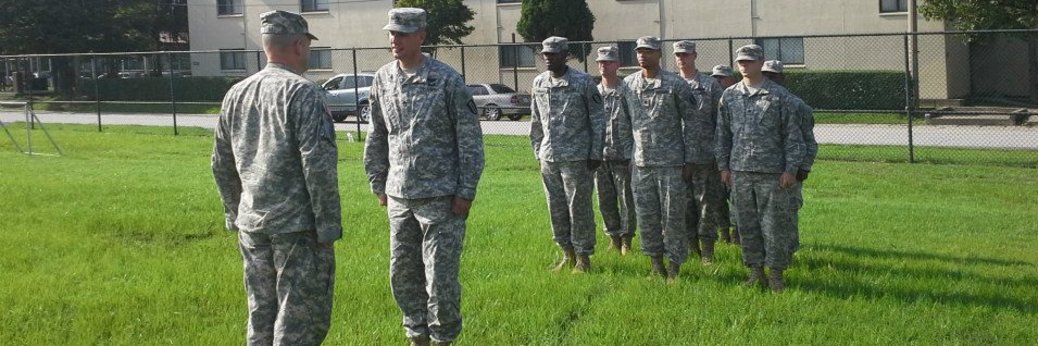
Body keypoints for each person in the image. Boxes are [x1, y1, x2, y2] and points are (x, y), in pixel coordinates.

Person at [212, 10, 340, 345]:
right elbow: (318, 164)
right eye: (308, 46)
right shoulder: (304, 93)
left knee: (261, 314)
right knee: (299, 320)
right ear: (299, 45)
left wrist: (234, 213)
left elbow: (221, 163)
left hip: (252, 224)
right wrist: (327, 226)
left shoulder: (236, 93)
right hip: (297, 228)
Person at [363, 8, 485, 346]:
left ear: (422, 36)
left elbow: (470, 139)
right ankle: (417, 336)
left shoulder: (446, 79)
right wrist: (378, 182)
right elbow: (376, 134)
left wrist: (466, 191)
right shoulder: (383, 79)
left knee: (440, 279)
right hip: (399, 196)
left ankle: (443, 338)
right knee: (402, 275)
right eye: (392, 33)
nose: (394, 39)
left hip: (442, 199)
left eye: (402, 33)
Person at [716, 45, 805, 293]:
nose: (744, 65)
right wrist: (723, 166)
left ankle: (776, 274)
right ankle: (756, 272)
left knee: (773, 226)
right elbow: (722, 135)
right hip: (740, 173)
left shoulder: (779, 96)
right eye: (741, 61)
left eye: (750, 61)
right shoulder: (730, 95)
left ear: (760, 62)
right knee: (747, 226)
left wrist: (791, 169)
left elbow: (793, 137)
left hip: (772, 174)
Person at [530, 36, 607, 273]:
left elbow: (597, 119)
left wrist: (595, 152)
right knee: (556, 206)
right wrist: (537, 150)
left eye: (553, 54)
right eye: (545, 54)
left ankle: (584, 257)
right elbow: (536, 120)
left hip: (577, 157)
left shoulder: (583, 82)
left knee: (579, 207)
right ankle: (567, 253)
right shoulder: (539, 83)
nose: (548, 58)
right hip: (549, 157)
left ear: (566, 55)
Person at [623, 36, 697, 282]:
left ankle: (675, 266)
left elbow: (692, 124)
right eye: (639, 51)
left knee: (673, 217)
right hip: (642, 164)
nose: (642, 55)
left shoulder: (676, 84)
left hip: (671, 164)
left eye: (648, 51)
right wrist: (628, 157)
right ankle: (656, 264)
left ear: (659, 54)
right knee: (647, 217)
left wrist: (690, 160)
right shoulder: (628, 84)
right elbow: (624, 124)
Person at [673, 40, 727, 264]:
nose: (681, 59)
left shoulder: (710, 85)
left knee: (706, 204)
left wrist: (720, 156)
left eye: (686, 54)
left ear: (695, 56)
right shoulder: (670, 83)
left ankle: (707, 251)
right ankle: (690, 247)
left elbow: (720, 122)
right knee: (683, 205)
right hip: (676, 156)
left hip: (705, 156)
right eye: (678, 55)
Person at [762, 60, 818, 255]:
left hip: (790, 169)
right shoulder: (758, 102)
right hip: (766, 170)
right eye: (765, 75)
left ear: (782, 78)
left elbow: (809, 141)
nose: (769, 79)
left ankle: (789, 252)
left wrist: (804, 167)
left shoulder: (797, 105)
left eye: (773, 75)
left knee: (788, 211)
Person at [594, 46, 637, 255]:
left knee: (627, 199)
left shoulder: (627, 91)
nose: (604, 65)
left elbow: (636, 123)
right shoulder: (594, 92)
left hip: (623, 155)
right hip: (600, 156)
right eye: (601, 62)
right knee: (605, 199)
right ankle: (613, 237)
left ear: (618, 65)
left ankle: (627, 239)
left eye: (609, 62)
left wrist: (634, 154)